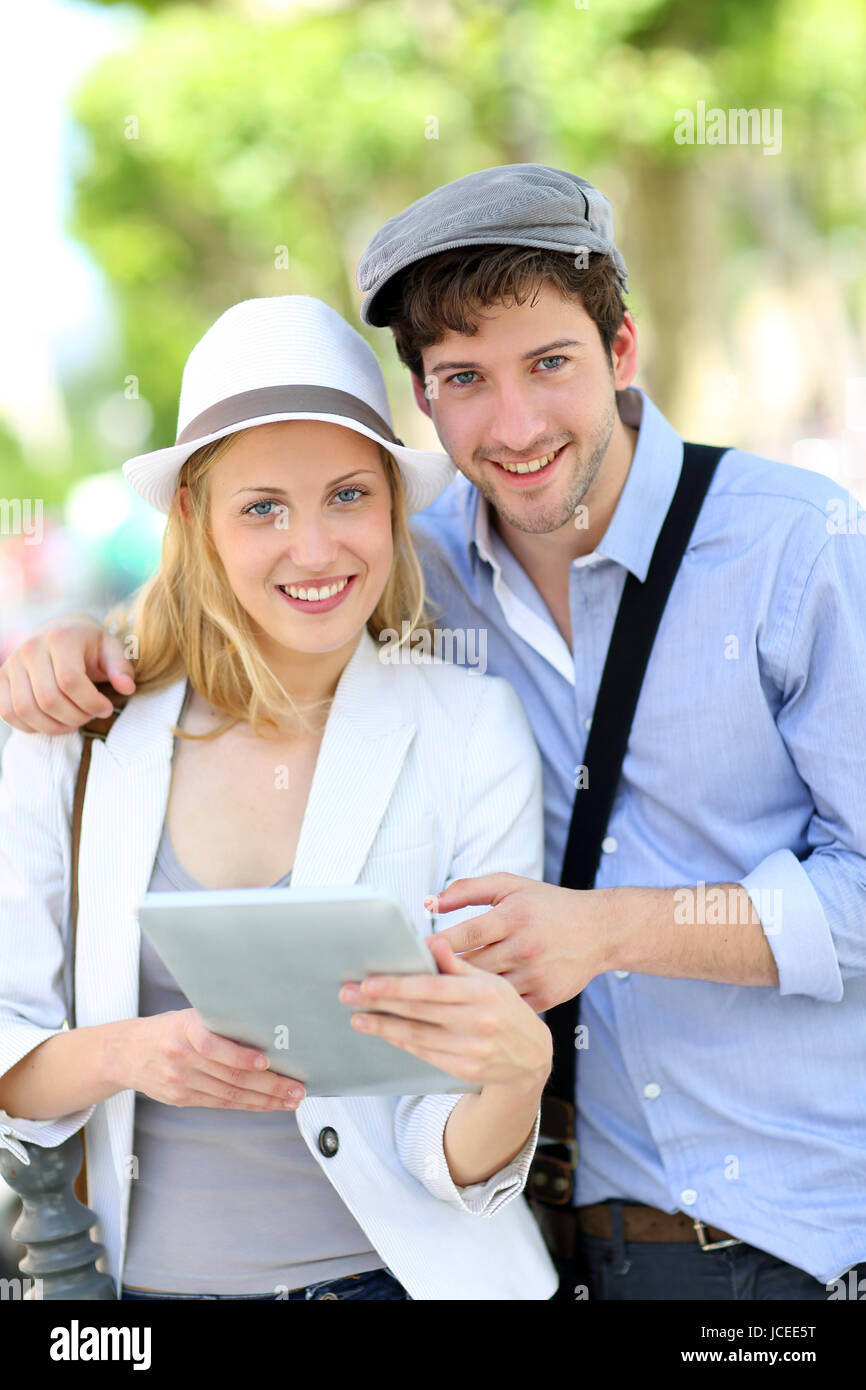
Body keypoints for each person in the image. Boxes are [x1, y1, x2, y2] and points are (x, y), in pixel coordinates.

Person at [4, 164, 866, 1302]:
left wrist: (604, 932)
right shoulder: (430, 561)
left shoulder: (796, 548)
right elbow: (261, 563)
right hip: (574, 1225)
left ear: (620, 352)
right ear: (424, 399)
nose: (512, 427)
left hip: (795, 1217)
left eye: (548, 363)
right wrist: (73, 644)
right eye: (463, 378)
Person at [0, 293, 559, 1302]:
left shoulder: (470, 730)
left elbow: (453, 1155)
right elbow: (11, 1060)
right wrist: (133, 1053)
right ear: (193, 520)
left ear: (391, 503)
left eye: (347, 495)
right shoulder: (78, 737)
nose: (314, 550)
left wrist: (514, 1078)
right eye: (263, 507)